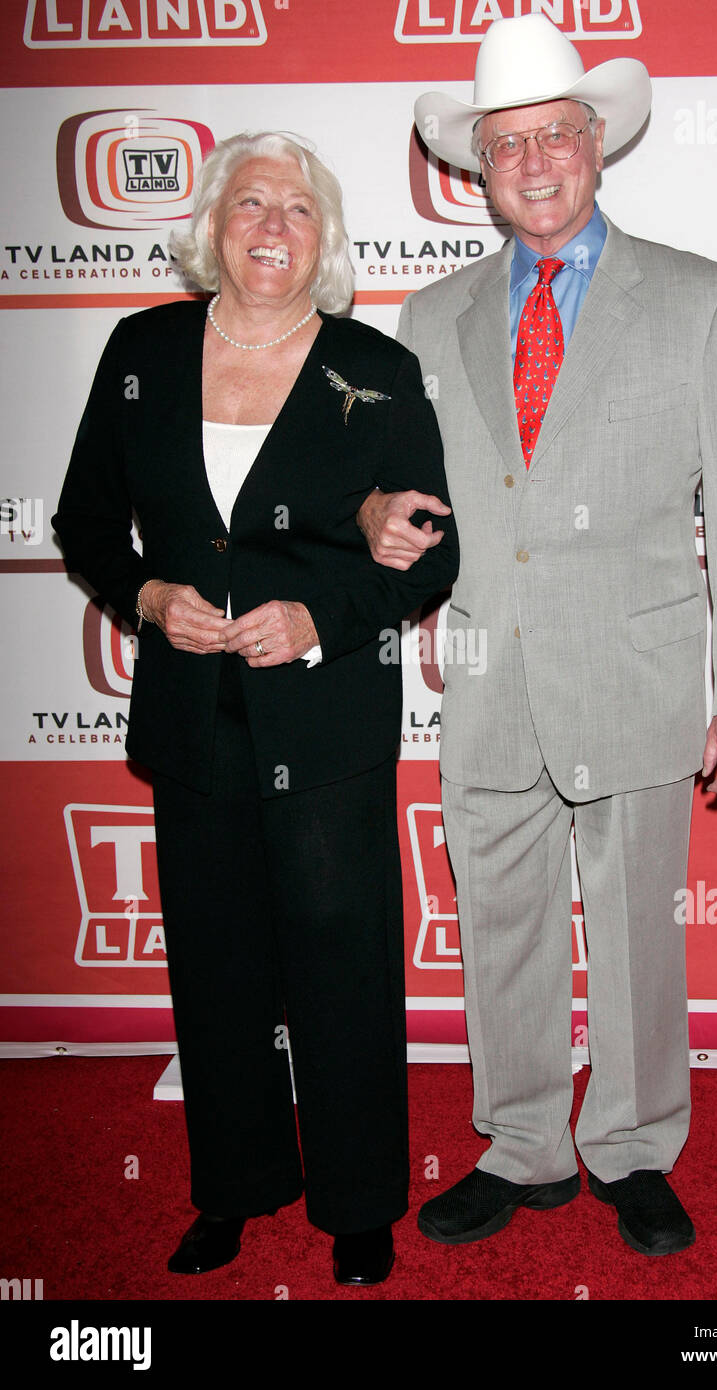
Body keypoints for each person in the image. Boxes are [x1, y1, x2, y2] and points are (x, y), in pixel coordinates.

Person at [357, 15, 717, 1256]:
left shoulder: (701, 296)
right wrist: (391, 543)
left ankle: (636, 1143)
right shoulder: (425, 316)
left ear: (595, 143)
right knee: (499, 924)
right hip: (488, 680)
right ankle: (525, 1143)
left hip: (641, 675)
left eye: (556, 133)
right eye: (507, 143)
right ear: (476, 166)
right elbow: (405, 495)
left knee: (639, 931)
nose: (534, 160)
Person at [53, 131, 458, 1286]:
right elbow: (86, 522)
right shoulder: (140, 351)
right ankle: (233, 1187)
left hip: (324, 720)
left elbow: (430, 548)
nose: (271, 225)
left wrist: (321, 616)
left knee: (343, 965)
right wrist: (145, 594)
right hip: (191, 717)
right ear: (213, 225)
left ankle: (360, 1202)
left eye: (296, 208)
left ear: (323, 238)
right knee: (216, 964)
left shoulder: (374, 368)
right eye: (250, 203)